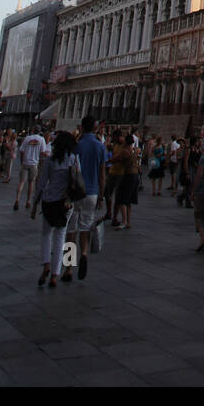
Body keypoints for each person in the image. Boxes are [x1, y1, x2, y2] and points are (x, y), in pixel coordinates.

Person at [32, 131, 83, 289]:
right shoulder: (75, 159)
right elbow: (80, 179)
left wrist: (34, 203)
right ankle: (66, 269)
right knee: (69, 235)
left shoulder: (51, 160)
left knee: (48, 234)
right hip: (73, 200)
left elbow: (41, 183)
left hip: (50, 201)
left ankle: (50, 266)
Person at [65, 115, 106, 282]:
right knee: (85, 226)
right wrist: (102, 195)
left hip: (75, 193)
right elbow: (102, 175)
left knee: (70, 230)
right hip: (92, 193)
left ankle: (68, 268)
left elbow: (70, 171)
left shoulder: (76, 146)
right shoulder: (100, 146)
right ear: (95, 128)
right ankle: (83, 254)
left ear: (81, 127)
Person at [14, 126, 47, 212]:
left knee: (21, 182)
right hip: (34, 164)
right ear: (39, 131)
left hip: (25, 162)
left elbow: (21, 151)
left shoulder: (27, 138)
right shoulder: (42, 139)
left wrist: (22, 161)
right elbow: (43, 152)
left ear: (32, 130)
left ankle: (17, 199)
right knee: (31, 183)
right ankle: (28, 201)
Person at [116, 134, 140, 229]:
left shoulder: (126, 151)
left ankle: (124, 221)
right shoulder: (135, 151)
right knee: (129, 201)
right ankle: (128, 221)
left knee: (122, 199)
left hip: (128, 175)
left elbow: (115, 159)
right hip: (135, 175)